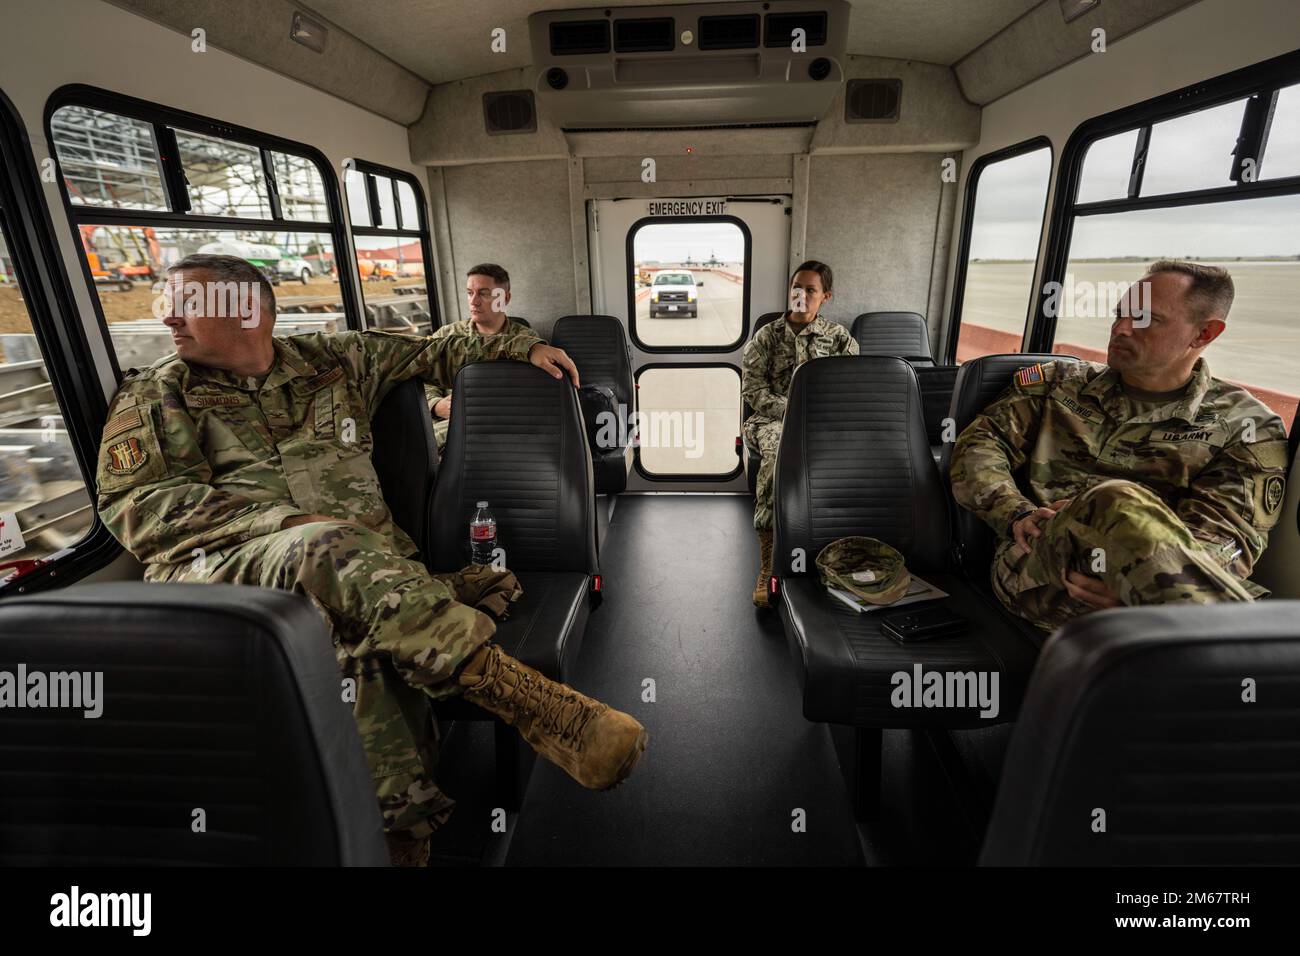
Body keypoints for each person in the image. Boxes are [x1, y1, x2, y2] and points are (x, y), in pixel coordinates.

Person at [95, 254, 647, 866]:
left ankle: (399, 843)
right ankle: (530, 703)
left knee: (366, 656)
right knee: (324, 548)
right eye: (166, 303)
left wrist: (522, 349)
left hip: (364, 578)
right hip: (223, 576)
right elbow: (139, 507)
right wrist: (282, 525)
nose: (168, 315)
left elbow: (438, 352)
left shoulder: (332, 361)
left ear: (250, 309)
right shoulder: (157, 394)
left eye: (188, 303)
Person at [950, 259, 1289, 633]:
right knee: (1113, 499)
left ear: (1204, 334)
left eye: (1145, 319)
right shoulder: (1057, 385)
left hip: (1159, 589)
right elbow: (978, 446)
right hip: (1042, 567)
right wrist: (1015, 513)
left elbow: (1228, 539)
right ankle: (1246, 643)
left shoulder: (1246, 426)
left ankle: (1215, 640)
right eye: (1120, 314)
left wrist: (1138, 592)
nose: (1121, 328)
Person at [741, 261, 859, 607]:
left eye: (811, 290)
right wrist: (793, 414)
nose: (802, 295)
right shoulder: (767, 336)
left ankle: (838, 555)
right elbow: (754, 391)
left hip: (823, 422)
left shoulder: (839, 339)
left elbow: (851, 390)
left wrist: (819, 419)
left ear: (826, 297)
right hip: (771, 422)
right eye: (797, 288)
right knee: (779, 454)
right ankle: (768, 563)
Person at [425, 263, 534, 450]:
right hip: (449, 424)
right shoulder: (447, 336)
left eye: (483, 294)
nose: (473, 302)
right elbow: (422, 376)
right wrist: (435, 405)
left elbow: (530, 393)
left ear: (504, 298)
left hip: (502, 425)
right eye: (469, 293)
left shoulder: (528, 341)